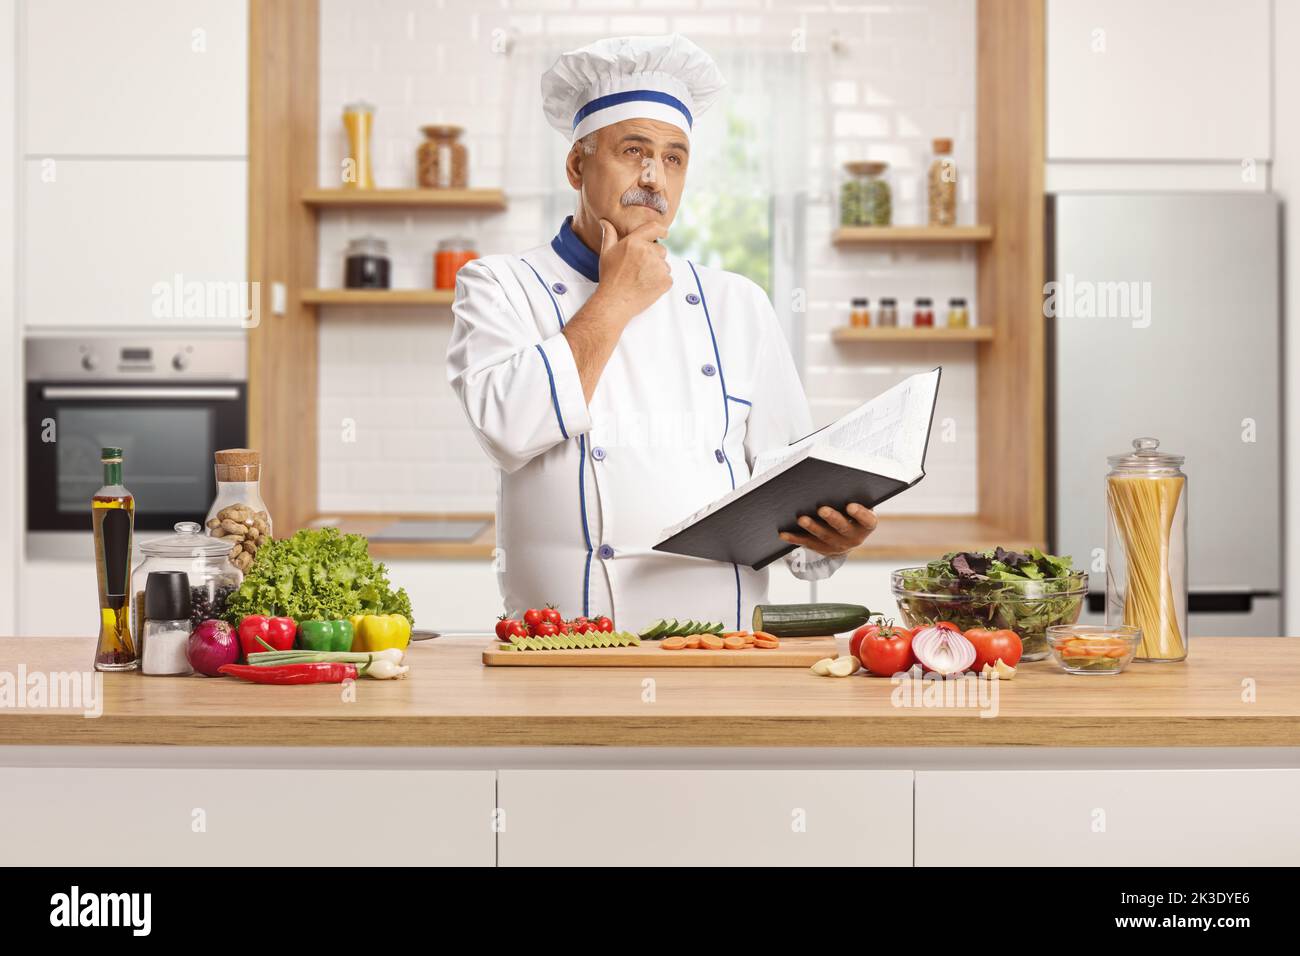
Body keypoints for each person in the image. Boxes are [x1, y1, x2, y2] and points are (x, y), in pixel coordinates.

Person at [447, 35, 876, 632]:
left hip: (721, 650)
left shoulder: (739, 303)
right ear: (576, 163)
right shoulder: (499, 284)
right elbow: (509, 428)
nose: (654, 177)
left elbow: (788, 488)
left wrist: (827, 536)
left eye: (674, 158)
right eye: (632, 150)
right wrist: (616, 297)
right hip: (564, 650)